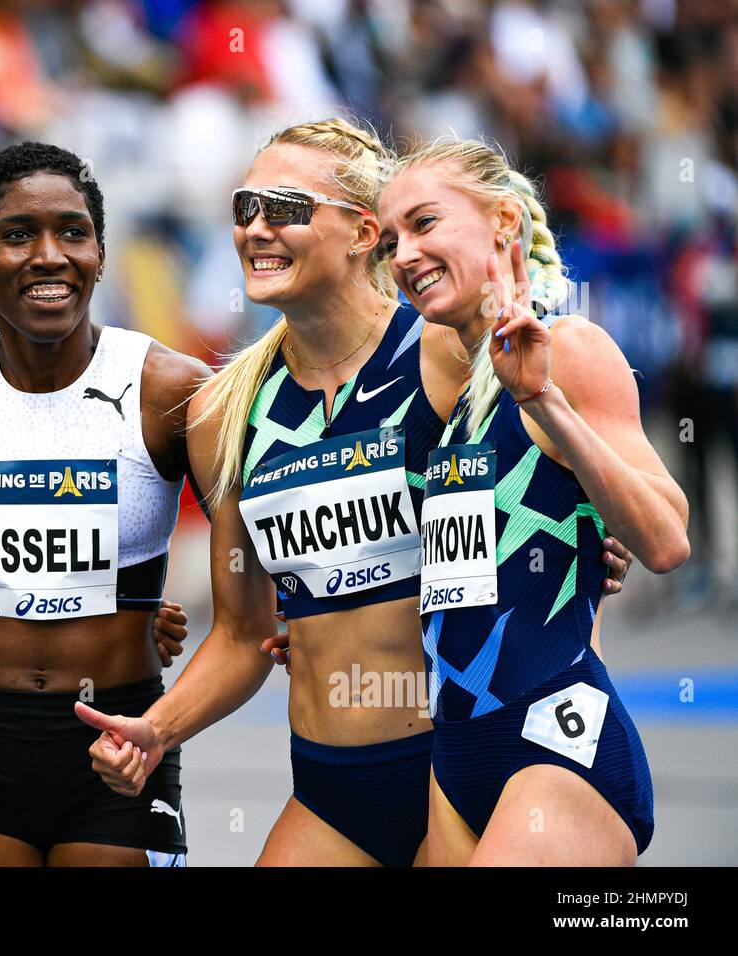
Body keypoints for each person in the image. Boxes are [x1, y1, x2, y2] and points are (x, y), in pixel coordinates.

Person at [74, 118, 634, 866]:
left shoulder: (440, 356)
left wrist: (594, 529)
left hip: (462, 761)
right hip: (332, 785)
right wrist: (159, 726)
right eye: (245, 208)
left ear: (364, 232)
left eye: (286, 208)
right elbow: (244, 635)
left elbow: (550, 471)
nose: (257, 229)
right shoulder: (225, 413)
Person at [0, 141, 209, 866]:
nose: (49, 255)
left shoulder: (168, 390)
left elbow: (264, 567)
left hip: (120, 742)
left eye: (72, 232)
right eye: (17, 234)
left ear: (100, 251)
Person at [374, 137, 688, 864]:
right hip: (457, 757)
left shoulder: (567, 348)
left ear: (503, 223)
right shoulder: (451, 395)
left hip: (557, 742)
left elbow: (667, 539)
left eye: (424, 224)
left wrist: (546, 401)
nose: (403, 254)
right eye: (392, 239)